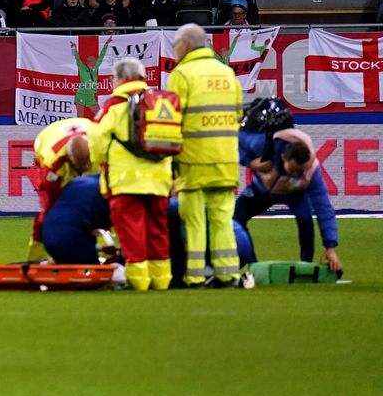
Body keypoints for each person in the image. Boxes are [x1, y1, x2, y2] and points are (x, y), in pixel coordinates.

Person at [88, 58, 178, 291]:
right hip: (159, 181)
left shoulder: (114, 106)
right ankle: (161, 281)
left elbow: (96, 142)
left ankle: (139, 282)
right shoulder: (161, 103)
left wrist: (100, 162)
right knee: (158, 233)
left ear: (120, 78)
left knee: (132, 234)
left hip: (126, 181)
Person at [170, 23, 243, 287]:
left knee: (194, 221)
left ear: (186, 45)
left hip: (193, 161)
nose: (174, 50)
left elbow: (171, 121)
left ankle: (195, 276)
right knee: (222, 219)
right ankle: (228, 274)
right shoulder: (227, 73)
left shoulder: (181, 75)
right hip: (226, 160)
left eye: (176, 45)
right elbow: (237, 115)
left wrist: (170, 163)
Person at [236, 114, 341, 271]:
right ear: (283, 157)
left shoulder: (312, 170)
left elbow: (324, 208)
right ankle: (254, 266)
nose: (296, 174)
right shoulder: (264, 145)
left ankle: (306, 266)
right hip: (262, 190)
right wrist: (250, 162)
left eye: (300, 171)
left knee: (306, 221)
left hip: (295, 195)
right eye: (293, 170)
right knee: (237, 218)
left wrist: (330, 247)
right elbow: (238, 139)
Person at [26, 116, 92, 259]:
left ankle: (103, 256)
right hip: (48, 139)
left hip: (85, 136)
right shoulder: (52, 162)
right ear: (70, 159)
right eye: (80, 166)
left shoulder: (101, 144)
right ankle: (37, 257)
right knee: (49, 212)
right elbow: (52, 198)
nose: (84, 169)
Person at [40, 174, 112, 264]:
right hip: (71, 236)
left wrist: (100, 248)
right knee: (93, 270)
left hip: (47, 233)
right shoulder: (107, 189)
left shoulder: (79, 181)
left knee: (66, 266)